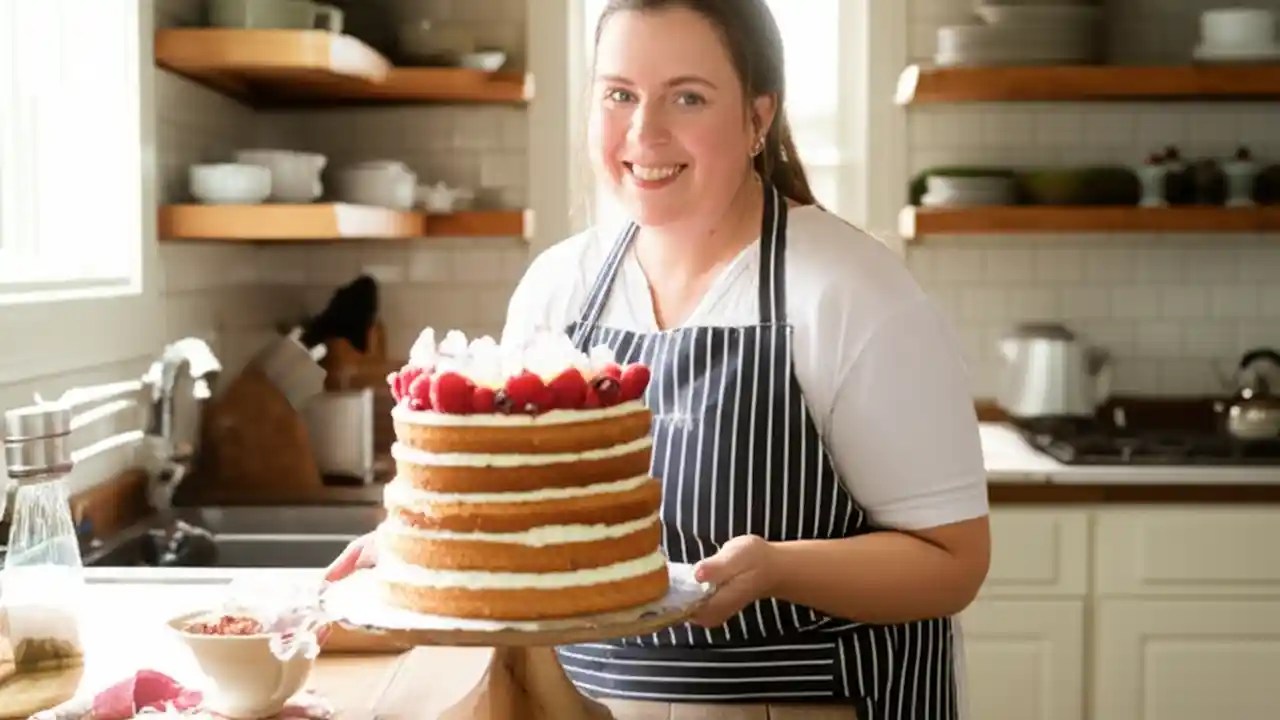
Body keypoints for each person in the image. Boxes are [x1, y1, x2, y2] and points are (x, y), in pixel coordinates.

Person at [326, 1, 991, 717]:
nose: (645, 132)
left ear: (758, 116)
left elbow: (952, 563)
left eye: (688, 97)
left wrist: (778, 568)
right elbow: (526, 514)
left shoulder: (851, 292)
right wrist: (432, 548)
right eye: (619, 95)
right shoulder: (560, 287)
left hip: (811, 701)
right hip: (583, 704)